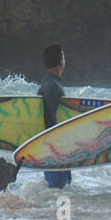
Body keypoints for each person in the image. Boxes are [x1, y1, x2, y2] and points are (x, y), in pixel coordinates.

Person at [39, 43, 72, 189]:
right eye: (63, 56)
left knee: (58, 188)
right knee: (59, 188)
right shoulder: (52, 85)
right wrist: (55, 147)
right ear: (60, 60)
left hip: (54, 145)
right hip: (54, 147)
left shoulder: (50, 82)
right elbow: (49, 116)